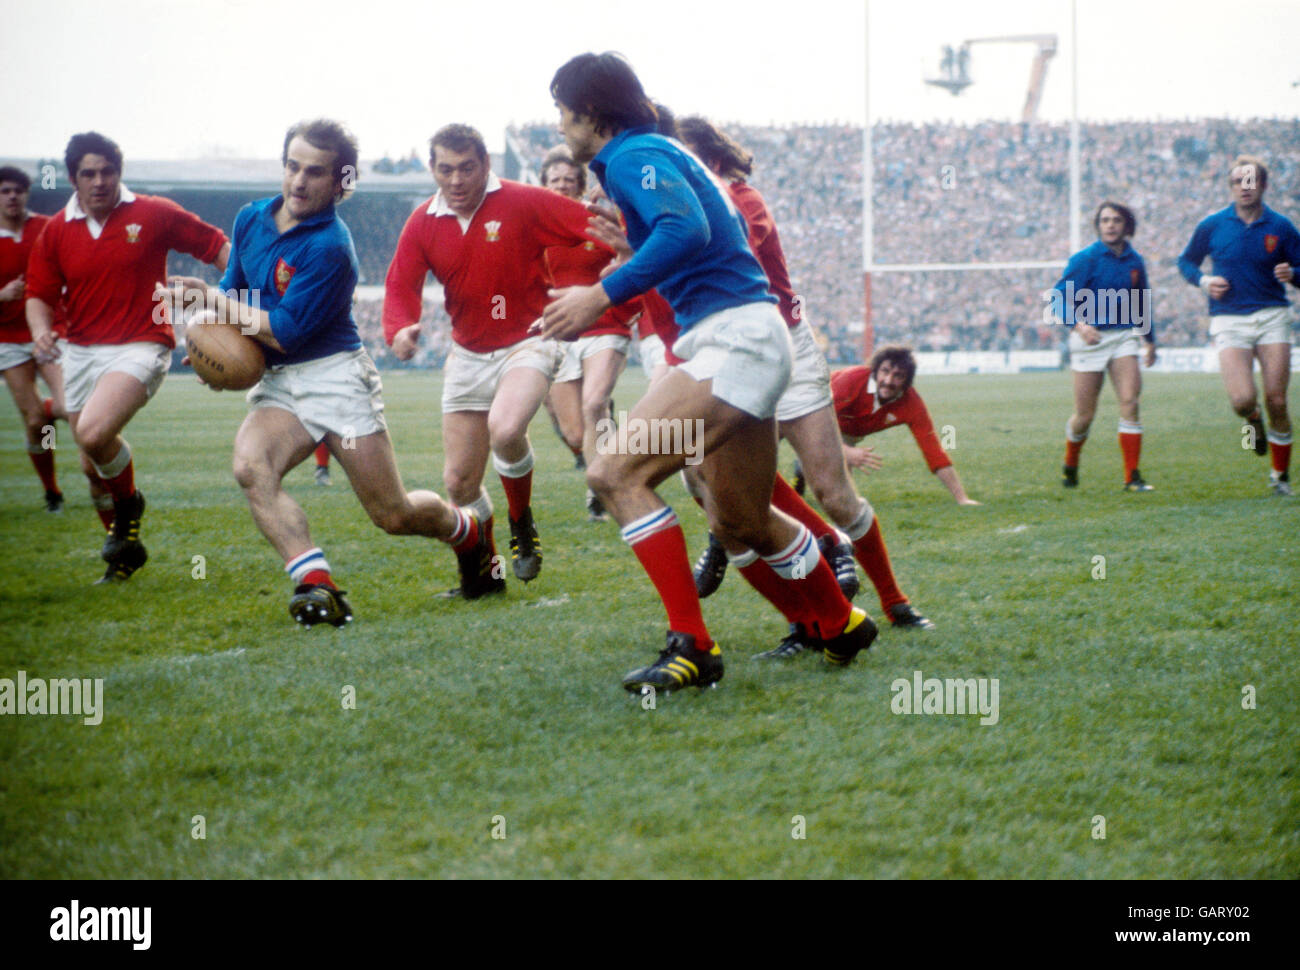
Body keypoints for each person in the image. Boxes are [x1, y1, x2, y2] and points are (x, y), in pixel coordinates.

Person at [543, 52, 875, 691]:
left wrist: (602, 294)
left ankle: (692, 646)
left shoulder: (633, 155)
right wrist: (636, 251)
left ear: (590, 115)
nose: (559, 126)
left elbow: (687, 230)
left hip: (734, 345)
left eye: (562, 112)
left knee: (614, 472)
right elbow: (696, 239)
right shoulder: (658, 152)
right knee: (739, 519)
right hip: (747, 338)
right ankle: (841, 623)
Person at [162, 118, 494, 626]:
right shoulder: (251, 219)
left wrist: (210, 301)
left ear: (342, 183)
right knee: (252, 468)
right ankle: (316, 585)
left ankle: (467, 531)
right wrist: (215, 348)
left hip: (336, 379)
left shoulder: (332, 248)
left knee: (393, 514)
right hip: (281, 384)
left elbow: (286, 331)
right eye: (292, 166)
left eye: (315, 172)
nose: (298, 181)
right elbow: (238, 294)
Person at [671, 117, 935, 655]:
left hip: (783, 345)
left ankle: (893, 598)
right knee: (732, 491)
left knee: (833, 492)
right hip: (728, 350)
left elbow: (729, 243)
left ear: (713, 162)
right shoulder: (679, 209)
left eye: (689, 161)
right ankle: (808, 620)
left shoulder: (741, 200)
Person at [383, 123, 613, 592]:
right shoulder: (423, 221)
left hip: (528, 339)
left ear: (485, 165)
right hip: (467, 354)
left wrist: (632, 250)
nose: (456, 180)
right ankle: (487, 574)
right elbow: (401, 284)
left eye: (467, 168)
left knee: (506, 429)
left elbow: (589, 223)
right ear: (432, 169)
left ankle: (520, 521)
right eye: (445, 170)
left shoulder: (523, 200)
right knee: (459, 483)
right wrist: (399, 328)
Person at [25, 132, 230, 583]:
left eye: (108, 171)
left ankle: (129, 505)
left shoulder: (153, 213)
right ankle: (123, 555)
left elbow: (219, 248)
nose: (99, 181)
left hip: (143, 343)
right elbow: (38, 294)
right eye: (88, 173)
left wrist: (236, 309)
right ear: (73, 178)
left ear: (120, 172)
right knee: (90, 463)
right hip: (79, 352)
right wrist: (41, 331)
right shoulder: (56, 230)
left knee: (95, 435)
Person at [1179, 154, 1300, 496]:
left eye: (1252, 181)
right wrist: (1203, 282)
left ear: (1263, 185)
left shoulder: (1281, 226)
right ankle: (1252, 421)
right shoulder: (1213, 225)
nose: (1245, 188)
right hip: (1228, 319)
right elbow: (1185, 261)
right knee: (1242, 400)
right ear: (1231, 186)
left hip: (1272, 315)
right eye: (1238, 182)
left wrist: (1293, 275)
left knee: (1277, 399)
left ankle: (1280, 476)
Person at [538, 143, 637, 522]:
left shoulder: (596, 218)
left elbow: (629, 258)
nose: (562, 185)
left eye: (569, 179)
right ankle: (612, 453)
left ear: (580, 184)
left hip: (604, 323)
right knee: (577, 435)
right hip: (560, 332)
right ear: (544, 183)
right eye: (554, 180)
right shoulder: (532, 224)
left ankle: (601, 488)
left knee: (595, 403)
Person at [1049, 201, 1156, 491]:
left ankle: (1132, 477)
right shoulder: (1085, 259)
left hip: (1123, 337)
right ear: (1098, 226)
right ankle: (1070, 463)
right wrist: (1080, 326)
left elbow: (1141, 301)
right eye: (1105, 220)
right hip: (1089, 340)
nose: (1110, 225)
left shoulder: (1135, 260)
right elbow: (1057, 297)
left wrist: (1150, 340)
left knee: (1130, 402)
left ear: (1126, 225)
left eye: (1116, 220)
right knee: (1085, 416)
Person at [806, 346, 980, 504]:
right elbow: (812, 422)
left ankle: (807, 465)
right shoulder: (850, 381)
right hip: (808, 408)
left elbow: (933, 451)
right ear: (875, 370)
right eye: (885, 371)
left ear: (907, 381)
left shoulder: (912, 403)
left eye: (898, 376)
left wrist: (962, 498)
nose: (889, 380)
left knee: (842, 496)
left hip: (846, 432)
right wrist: (845, 452)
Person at [1, 165, 68, 512]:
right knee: (35, 422)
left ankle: (103, 483)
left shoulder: (45, 228)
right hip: (8, 341)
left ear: (27, 193)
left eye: (18, 190)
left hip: (50, 333)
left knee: (70, 408)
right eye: (5, 191)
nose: (12, 196)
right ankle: (52, 490)